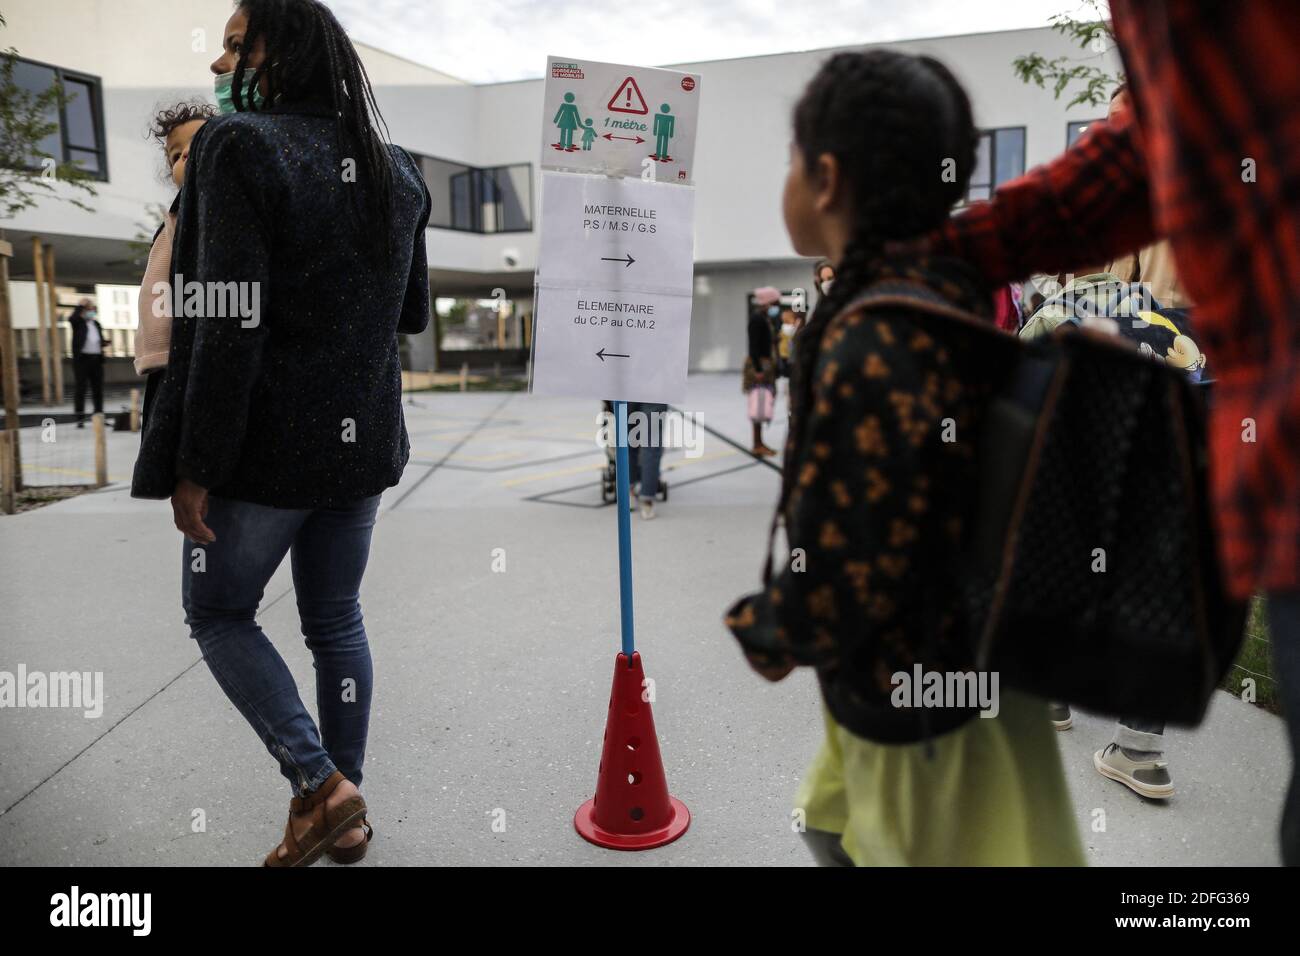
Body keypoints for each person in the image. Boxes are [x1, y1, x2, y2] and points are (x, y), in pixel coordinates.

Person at [930, 2, 1300, 862]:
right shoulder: (1171, 314)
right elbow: (1145, 146)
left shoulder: (1070, 305)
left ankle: (1069, 697)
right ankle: (1132, 741)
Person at [724, 49, 1083, 866]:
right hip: (924, 676)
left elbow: (860, 540)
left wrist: (774, 626)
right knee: (827, 825)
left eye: (789, 158)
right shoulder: (937, 297)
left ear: (824, 177)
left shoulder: (876, 339)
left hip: (922, 707)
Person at [130, 0, 432, 867]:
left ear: (281, 49)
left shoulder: (240, 146)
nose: (220, 68)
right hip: (364, 444)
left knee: (218, 610)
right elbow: (409, 311)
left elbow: (228, 325)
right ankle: (347, 808)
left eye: (234, 47)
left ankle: (321, 785)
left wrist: (195, 464)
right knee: (335, 619)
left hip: (264, 451)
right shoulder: (397, 167)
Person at [136, 101, 216, 428]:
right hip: (168, 363)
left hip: (197, 362)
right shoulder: (174, 220)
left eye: (197, 145)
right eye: (174, 154)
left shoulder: (226, 213)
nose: (184, 156)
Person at [744, 287, 780, 456]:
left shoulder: (764, 318)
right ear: (768, 302)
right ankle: (757, 444)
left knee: (763, 402)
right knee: (759, 403)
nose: (778, 305)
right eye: (775, 302)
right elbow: (754, 347)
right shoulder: (757, 319)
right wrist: (758, 370)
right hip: (760, 366)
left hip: (765, 364)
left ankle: (759, 442)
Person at [66, 299, 105, 427]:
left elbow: (99, 339)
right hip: (82, 360)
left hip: (96, 359)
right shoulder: (78, 323)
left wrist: (104, 343)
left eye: (93, 310)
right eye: (89, 310)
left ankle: (99, 417)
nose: (91, 312)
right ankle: (80, 419)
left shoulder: (96, 324)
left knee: (98, 389)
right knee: (81, 389)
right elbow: (72, 318)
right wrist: (80, 306)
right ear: (84, 311)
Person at [627, 400, 666, 520]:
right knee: (652, 442)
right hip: (655, 388)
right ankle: (647, 499)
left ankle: (629, 490)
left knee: (627, 439)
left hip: (625, 387)